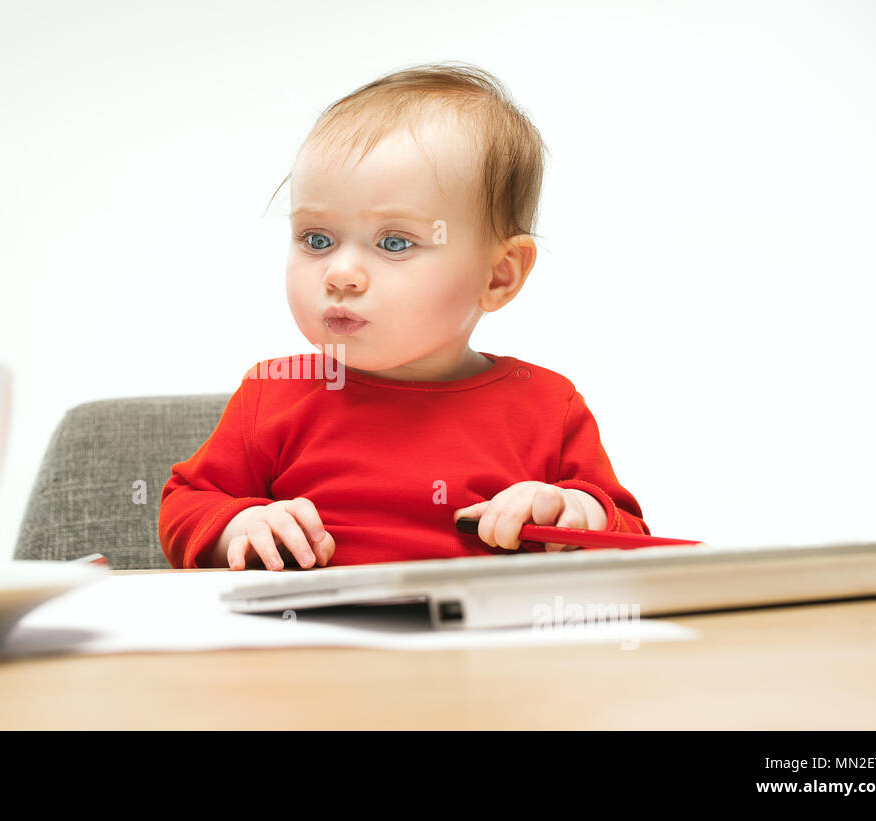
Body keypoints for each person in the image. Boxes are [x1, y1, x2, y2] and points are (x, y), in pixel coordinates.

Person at [159, 61, 649, 570]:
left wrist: (578, 514)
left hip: (481, 623)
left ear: (498, 276)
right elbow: (187, 505)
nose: (340, 273)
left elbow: (629, 534)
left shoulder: (548, 408)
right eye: (317, 239)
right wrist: (240, 525)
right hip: (315, 622)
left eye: (394, 243)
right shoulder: (273, 394)